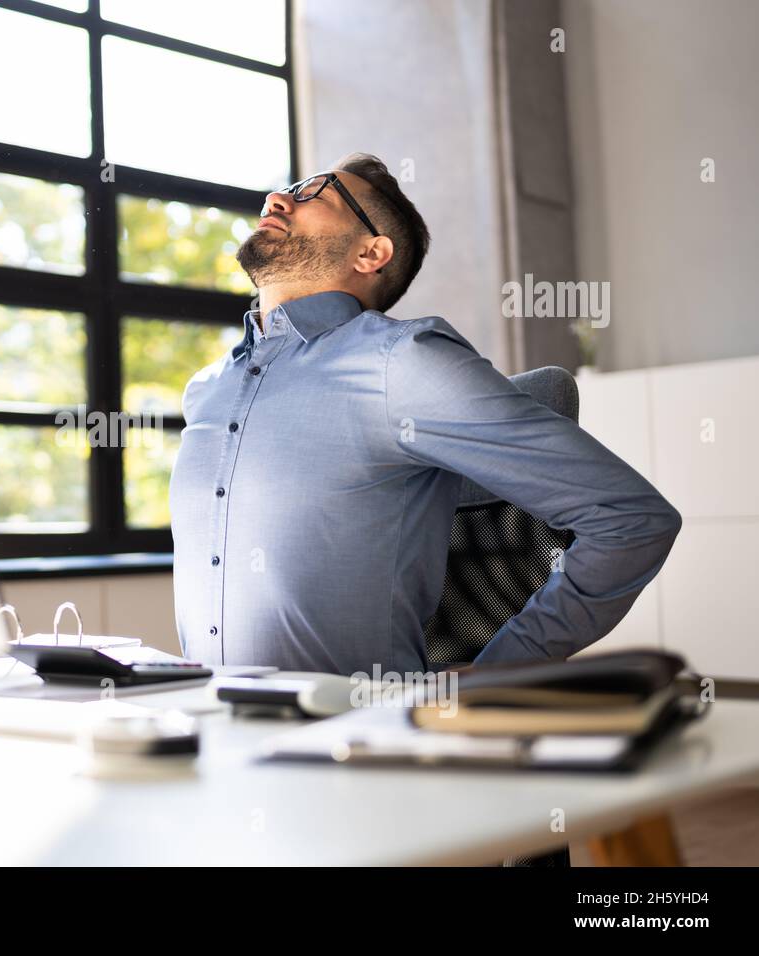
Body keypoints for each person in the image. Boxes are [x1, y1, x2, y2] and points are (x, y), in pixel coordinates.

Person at [169, 153, 681, 675]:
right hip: (202, 730)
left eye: (314, 194)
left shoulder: (402, 361)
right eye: (286, 191)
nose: (276, 200)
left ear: (371, 252)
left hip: (347, 741)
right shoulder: (207, 391)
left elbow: (632, 519)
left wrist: (495, 675)